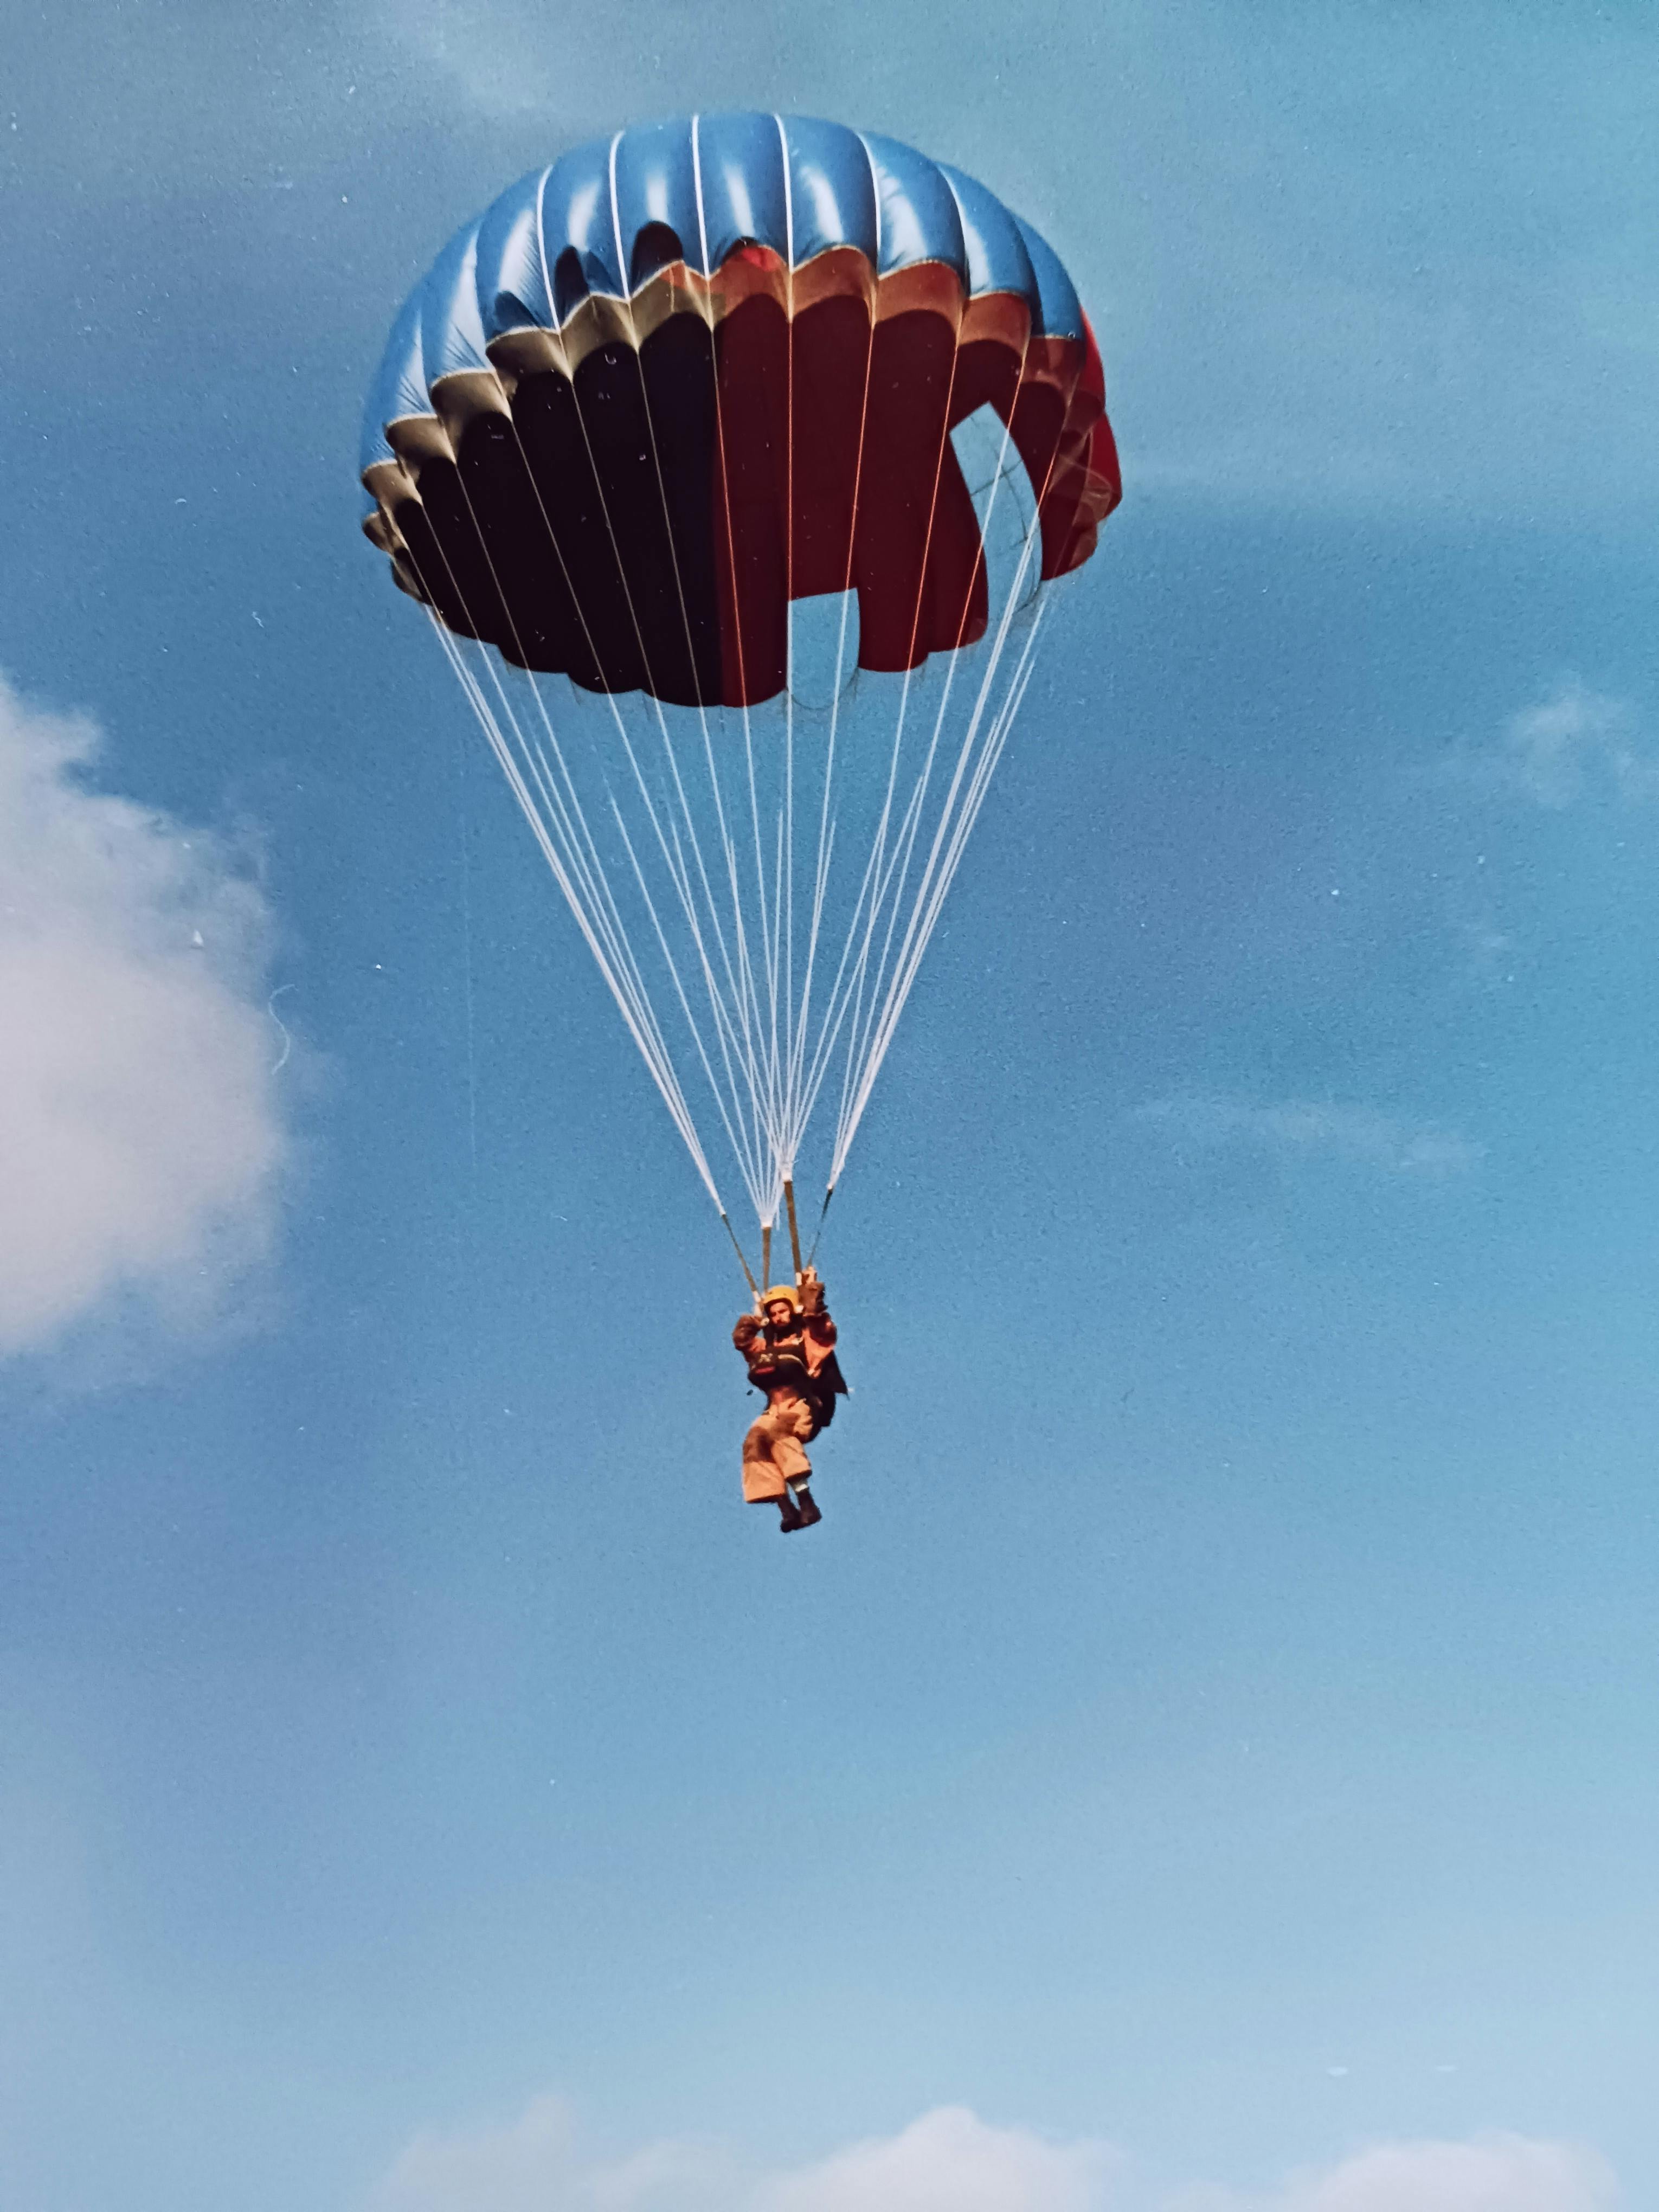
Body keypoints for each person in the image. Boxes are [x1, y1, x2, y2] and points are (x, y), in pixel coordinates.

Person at [732, 1266, 847, 1532]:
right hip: (774, 1407)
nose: (778, 1317)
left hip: (804, 1405)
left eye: (782, 1311)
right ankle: (787, 1509)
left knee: (777, 1433)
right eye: (773, 1313)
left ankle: (807, 1504)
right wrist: (753, 1321)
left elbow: (821, 1327)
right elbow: (744, 1342)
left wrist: (809, 1293)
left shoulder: (808, 1341)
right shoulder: (768, 1347)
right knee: (754, 1441)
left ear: (792, 1310)